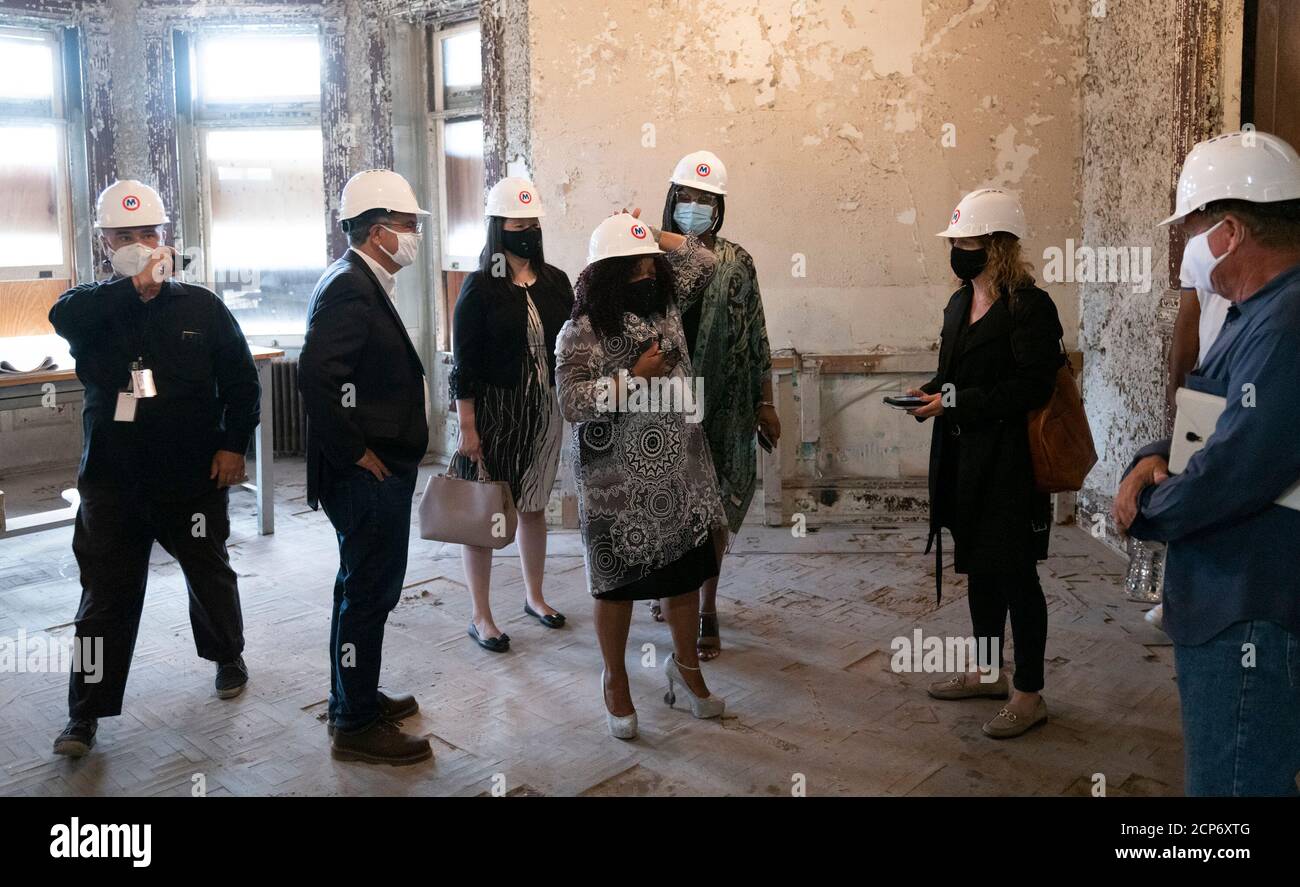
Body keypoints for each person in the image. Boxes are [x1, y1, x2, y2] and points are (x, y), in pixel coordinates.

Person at [1114, 130, 1300, 796]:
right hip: (1228, 594)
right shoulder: (1260, 314)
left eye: (1193, 228)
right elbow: (1210, 420)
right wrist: (1149, 457)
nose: (1188, 246)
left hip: (1250, 605)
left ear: (1228, 232)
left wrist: (1145, 510)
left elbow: (1234, 468)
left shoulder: (1285, 325)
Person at [48, 180, 259, 757]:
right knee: (104, 596)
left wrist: (233, 445)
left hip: (189, 474)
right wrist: (133, 288)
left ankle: (226, 654)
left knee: (207, 568)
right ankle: (83, 716)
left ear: (166, 237)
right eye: (126, 236)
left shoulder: (201, 307)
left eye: (150, 234)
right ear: (104, 243)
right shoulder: (87, 307)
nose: (141, 244)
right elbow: (61, 317)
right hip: (113, 481)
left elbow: (241, 383)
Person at [555, 211, 725, 739]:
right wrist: (632, 379)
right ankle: (616, 682)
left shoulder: (667, 305)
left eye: (651, 264)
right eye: (634, 268)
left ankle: (686, 671)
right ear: (607, 275)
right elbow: (570, 401)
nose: (649, 273)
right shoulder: (579, 331)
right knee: (618, 591)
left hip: (679, 478)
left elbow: (703, 258)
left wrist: (648, 230)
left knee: (682, 581)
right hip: (617, 492)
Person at [909, 189, 1064, 739]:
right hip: (960, 457)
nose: (956, 250)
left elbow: (1031, 386)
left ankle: (1029, 692)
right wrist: (929, 392)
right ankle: (985, 670)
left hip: (1009, 463)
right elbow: (955, 373)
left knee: (1016, 574)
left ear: (996, 246)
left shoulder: (1029, 307)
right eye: (954, 242)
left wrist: (954, 401)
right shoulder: (959, 302)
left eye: (966, 242)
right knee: (978, 566)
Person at [300, 169, 431, 765]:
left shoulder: (360, 278)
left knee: (358, 589)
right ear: (379, 232)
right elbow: (319, 379)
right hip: (364, 476)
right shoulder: (352, 286)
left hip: (373, 469)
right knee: (369, 595)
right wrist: (356, 452)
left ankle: (351, 694)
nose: (414, 236)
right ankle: (354, 724)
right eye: (408, 226)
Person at [651, 150, 778, 660]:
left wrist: (765, 402)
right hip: (664, 403)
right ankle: (669, 588)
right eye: (688, 197)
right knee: (669, 499)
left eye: (707, 199)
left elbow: (758, 336)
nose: (696, 206)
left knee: (716, 505)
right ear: (673, 199)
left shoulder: (737, 262)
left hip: (725, 405)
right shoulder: (651, 259)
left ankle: (707, 604)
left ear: (719, 206)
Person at [449, 177, 573, 652]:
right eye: (517, 225)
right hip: (496, 414)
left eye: (532, 224)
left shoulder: (557, 281)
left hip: (546, 413)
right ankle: (481, 615)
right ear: (498, 229)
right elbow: (464, 364)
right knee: (485, 516)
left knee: (534, 507)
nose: (527, 232)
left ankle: (535, 597)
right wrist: (468, 427)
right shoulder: (480, 287)